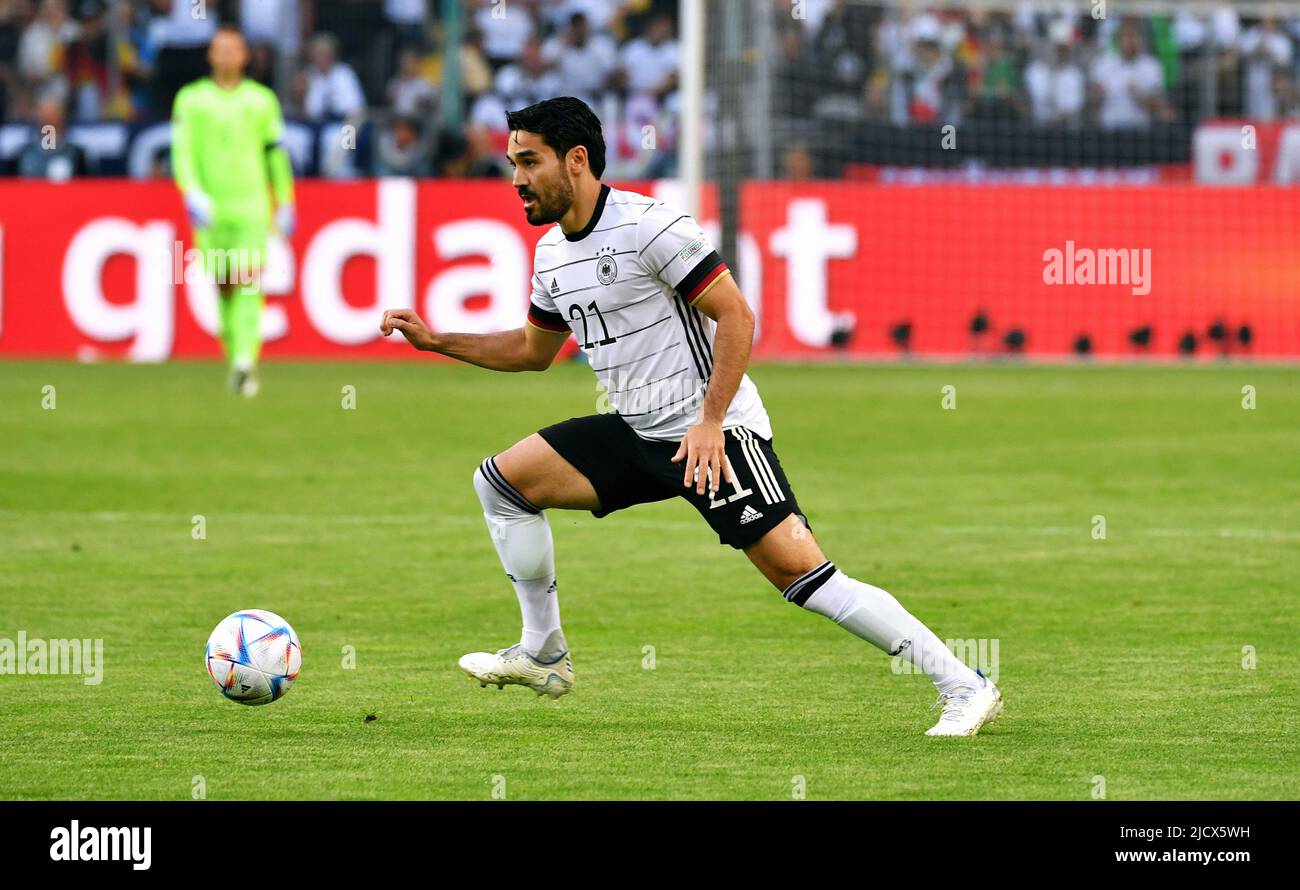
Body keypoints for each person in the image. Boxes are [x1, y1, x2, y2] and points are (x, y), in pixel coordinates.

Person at [379, 97, 1003, 737]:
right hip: (639, 431)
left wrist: (711, 420)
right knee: (503, 485)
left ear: (576, 160)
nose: (516, 179)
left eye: (529, 162)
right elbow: (533, 351)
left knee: (804, 576)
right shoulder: (550, 256)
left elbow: (736, 315)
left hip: (717, 435)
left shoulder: (651, 227)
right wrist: (438, 341)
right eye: (512, 162)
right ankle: (544, 653)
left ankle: (965, 683)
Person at [171, 25, 295, 397]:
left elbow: (275, 153)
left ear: (244, 55)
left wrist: (286, 200)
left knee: (247, 280)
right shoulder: (190, 100)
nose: (226, 55)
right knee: (223, 285)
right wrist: (191, 191)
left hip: (252, 205)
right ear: (210, 54)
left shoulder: (262, 100)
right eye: (219, 48)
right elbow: (182, 151)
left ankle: (245, 360)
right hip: (210, 208)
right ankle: (236, 363)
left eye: (232, 49)